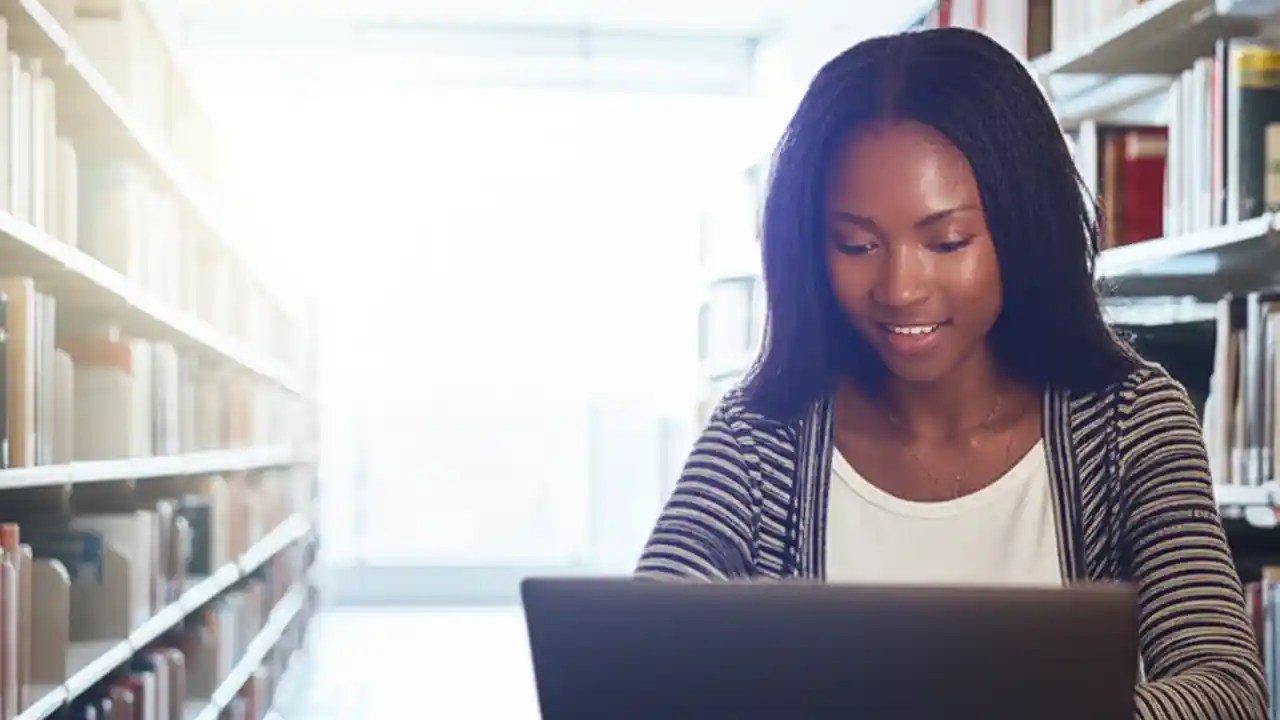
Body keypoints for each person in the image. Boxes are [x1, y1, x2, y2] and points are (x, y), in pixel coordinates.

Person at [635, 26, 1268, 719]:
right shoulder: (762, 440)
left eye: (947, 242)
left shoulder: (1131, 424)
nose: (900, 287)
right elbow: (641, 666)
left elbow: (1225, 691)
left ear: (1024, 228)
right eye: (857, 244)